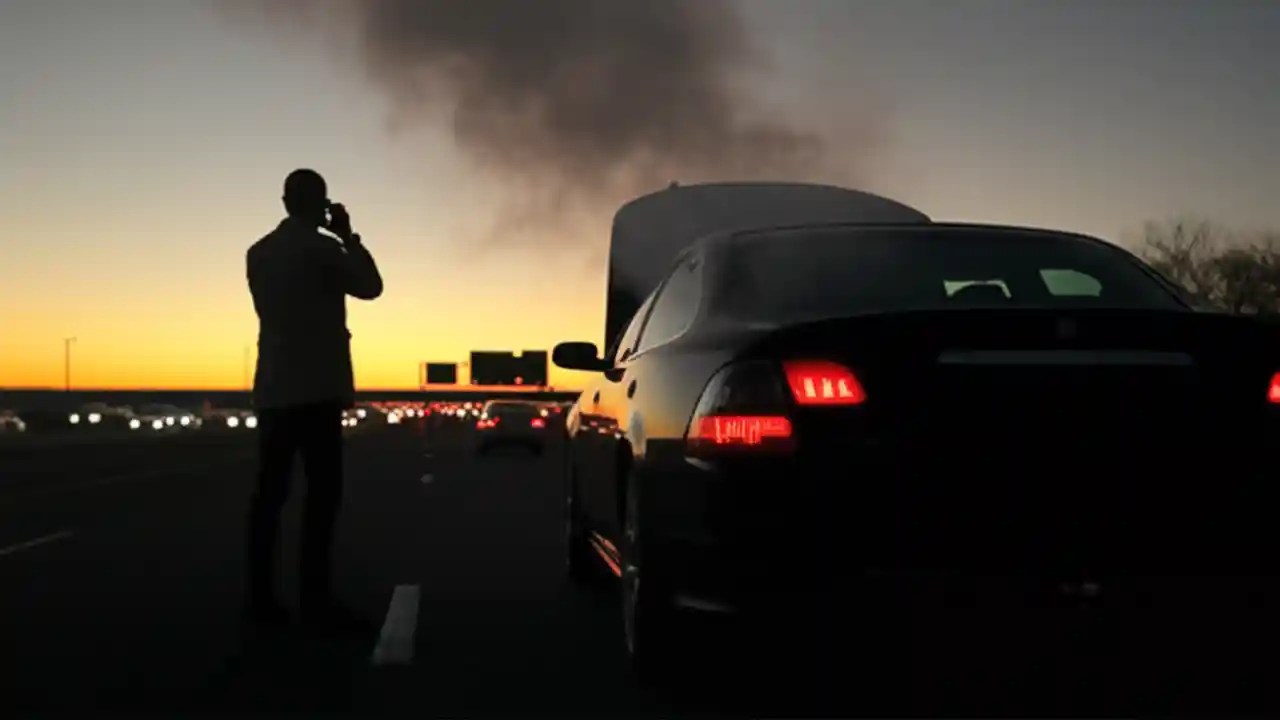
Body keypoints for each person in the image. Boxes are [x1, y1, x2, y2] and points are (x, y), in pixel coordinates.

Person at [244, 169, 383, 629]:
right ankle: (315, 599)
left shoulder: (259, 253)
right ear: (320, 204)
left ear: (285, 202)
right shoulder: (323, 250)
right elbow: (371, 286)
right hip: (318, 388)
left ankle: (261, 600)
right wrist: (348, 235)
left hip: (275, 389)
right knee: (322, 498)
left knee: (270, 497)